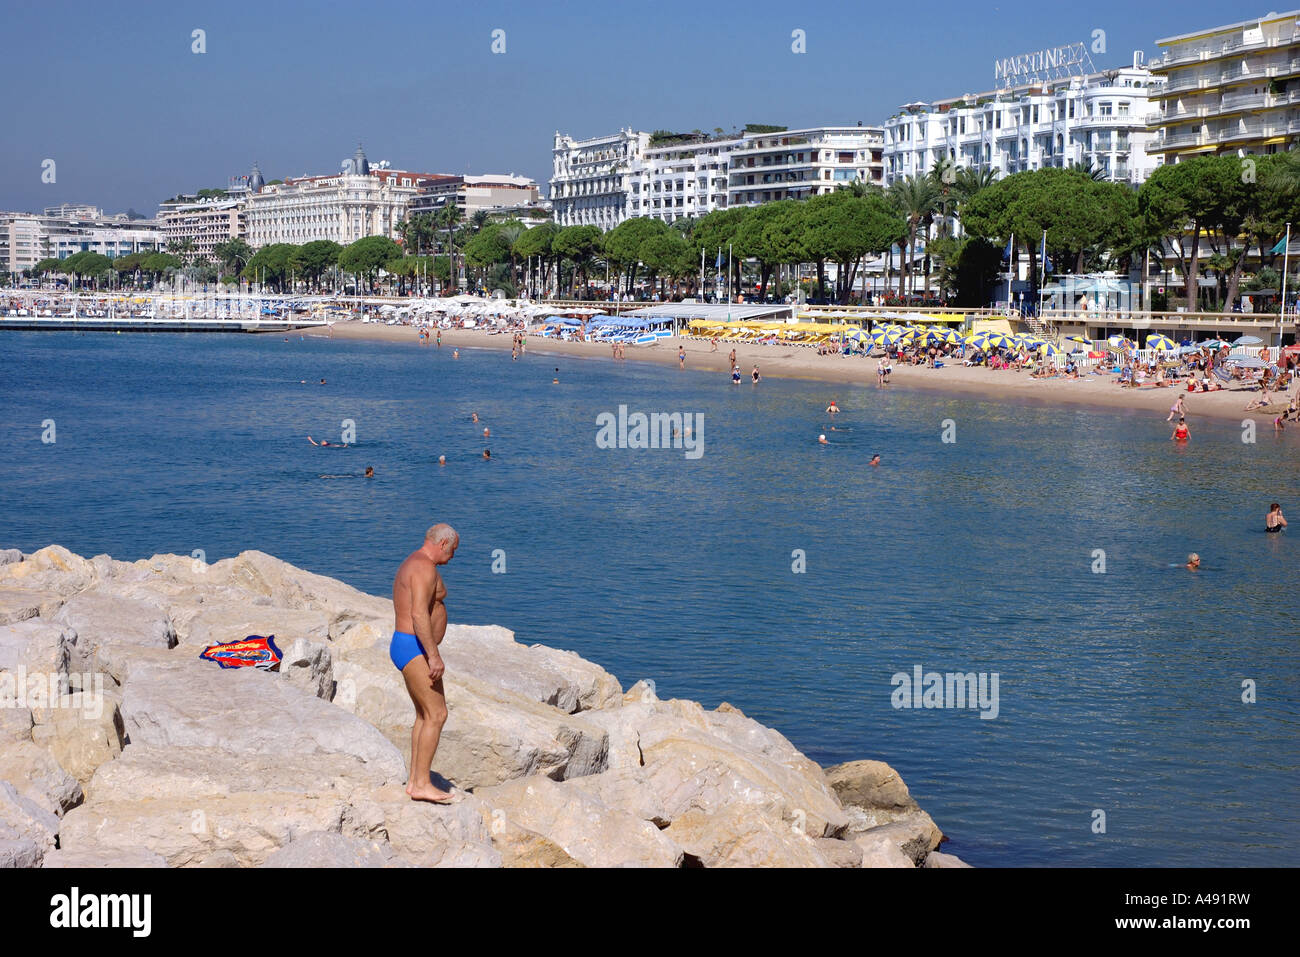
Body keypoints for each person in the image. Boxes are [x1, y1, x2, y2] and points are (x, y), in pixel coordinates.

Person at [390, 524, 460, 804]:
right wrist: (433, 655)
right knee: (438, 714)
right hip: (413, 647)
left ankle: (415, 781)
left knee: (423, 715)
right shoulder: (423, 567)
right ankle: (421, 783)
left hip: (407, 644)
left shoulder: (414, 562)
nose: (454, 556)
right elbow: (419, 614)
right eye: (453, 550)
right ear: (443, 543)